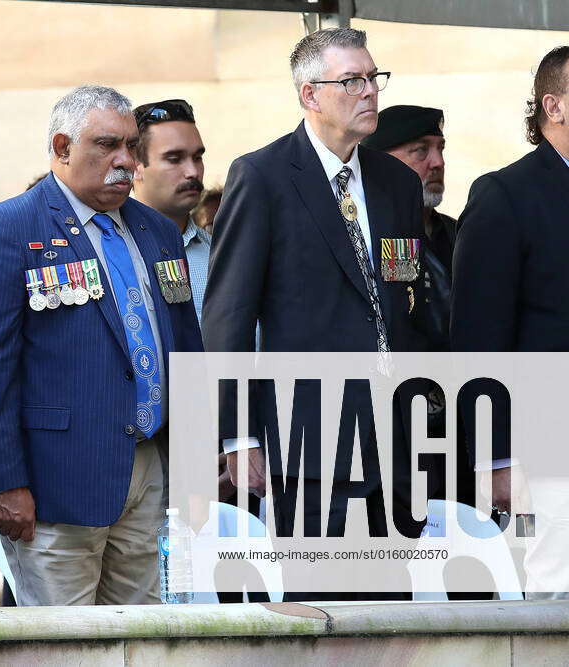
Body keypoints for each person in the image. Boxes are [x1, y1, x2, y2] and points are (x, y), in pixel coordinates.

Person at [0, 84, 202, 607]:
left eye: (131, 146)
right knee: (65, 645)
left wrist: (196, 462)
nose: (124, 161)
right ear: (63, 147)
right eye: (107, 145)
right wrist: (4, 482)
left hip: (148, 466)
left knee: (144, 636)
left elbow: (185, 348)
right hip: (54, 482)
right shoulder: (10, 228)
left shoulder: (157, 230)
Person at [202, 29, 430, 592]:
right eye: (352, 81)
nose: (369, 92)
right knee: (324, 613)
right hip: (310, 440)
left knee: (397, 617)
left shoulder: (397, 182)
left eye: (373, 78)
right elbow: (228, 318)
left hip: (395, 440)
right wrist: (237, 436)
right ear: (310, 95)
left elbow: (404, 299)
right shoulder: (263, 176)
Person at [452, 48, 569, 598]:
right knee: (558, 594)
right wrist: (495, 456)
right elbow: (479, 338)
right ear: (555, 106)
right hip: (549, 446)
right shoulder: (506, 194)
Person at [131, 99, 211, 322]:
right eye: (174, 159)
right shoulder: (114, 252)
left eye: (198, 157)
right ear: (135, 166)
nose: (192, 171)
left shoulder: (217, 255)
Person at [362, 105, 455, 270]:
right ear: (382, 162)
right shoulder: (377, 231)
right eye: (421, 150)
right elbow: (405, 294)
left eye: (441, 149)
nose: (439, 162)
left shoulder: (456, 232)